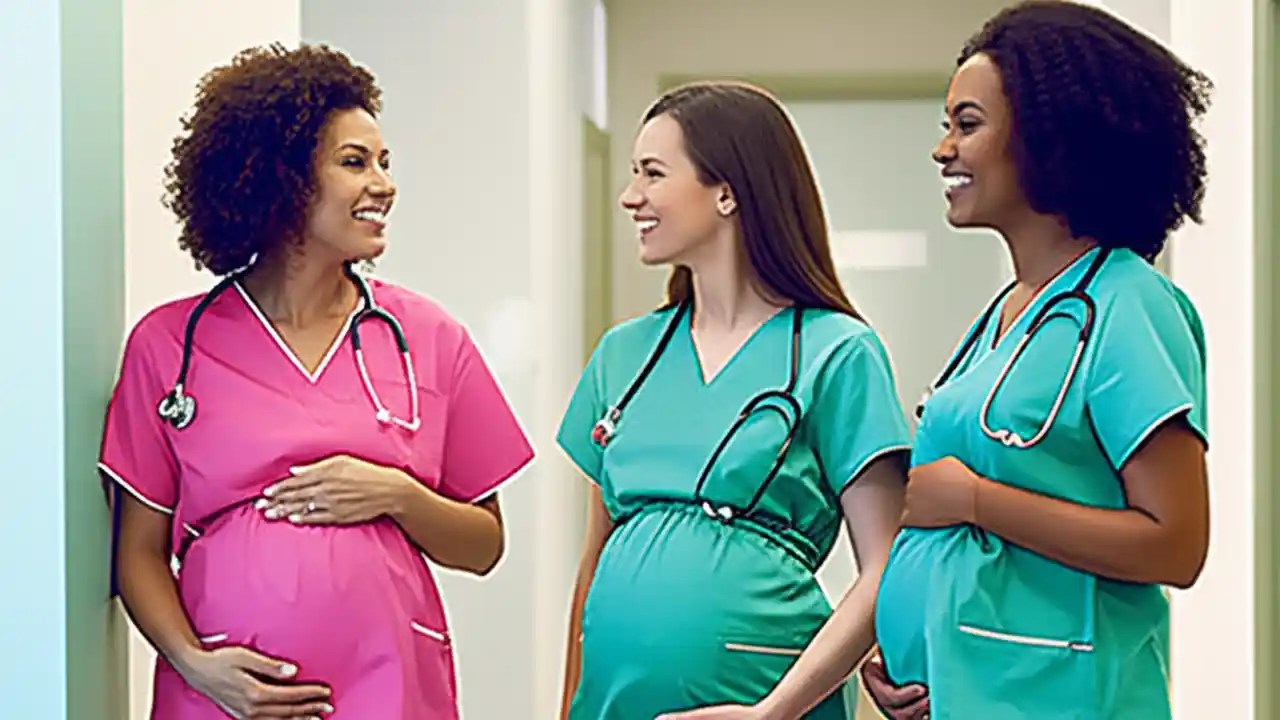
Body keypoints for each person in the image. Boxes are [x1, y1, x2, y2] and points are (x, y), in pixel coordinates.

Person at [98, 43, 533, 719]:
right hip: (225, 695)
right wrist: (197, 665)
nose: (383, 184)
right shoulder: (169, 345)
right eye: (355, 163)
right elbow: (138, 554)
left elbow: (484, 545)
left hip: (388, 687)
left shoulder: (427, 337)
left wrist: (395, 494)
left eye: (385, 163)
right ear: (282, 178)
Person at [860, 2, 1213, 718]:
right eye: (945, 126)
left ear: (1052, 137)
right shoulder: (1007, 314)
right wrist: (923, 650)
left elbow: (1176, 544)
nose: (942, 150)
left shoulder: (1126, 304)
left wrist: (975, 500)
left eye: (967, 124)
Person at [555, 80, 912, 720]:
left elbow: (884, 568)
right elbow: (592, 568)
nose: (629, 196)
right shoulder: (624, 355)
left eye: (653, 173)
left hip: (766, 701)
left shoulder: (837, 352)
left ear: (726, 192)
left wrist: (773, 713)